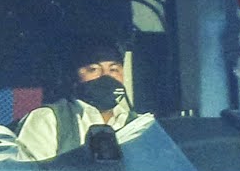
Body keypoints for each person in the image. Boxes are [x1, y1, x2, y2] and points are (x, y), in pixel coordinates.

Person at [15, 38, 145, 162]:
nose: (106, 76)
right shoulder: (48, 119)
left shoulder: (141, 126)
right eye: (93, 69)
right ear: (73, 76)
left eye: (113, 69)